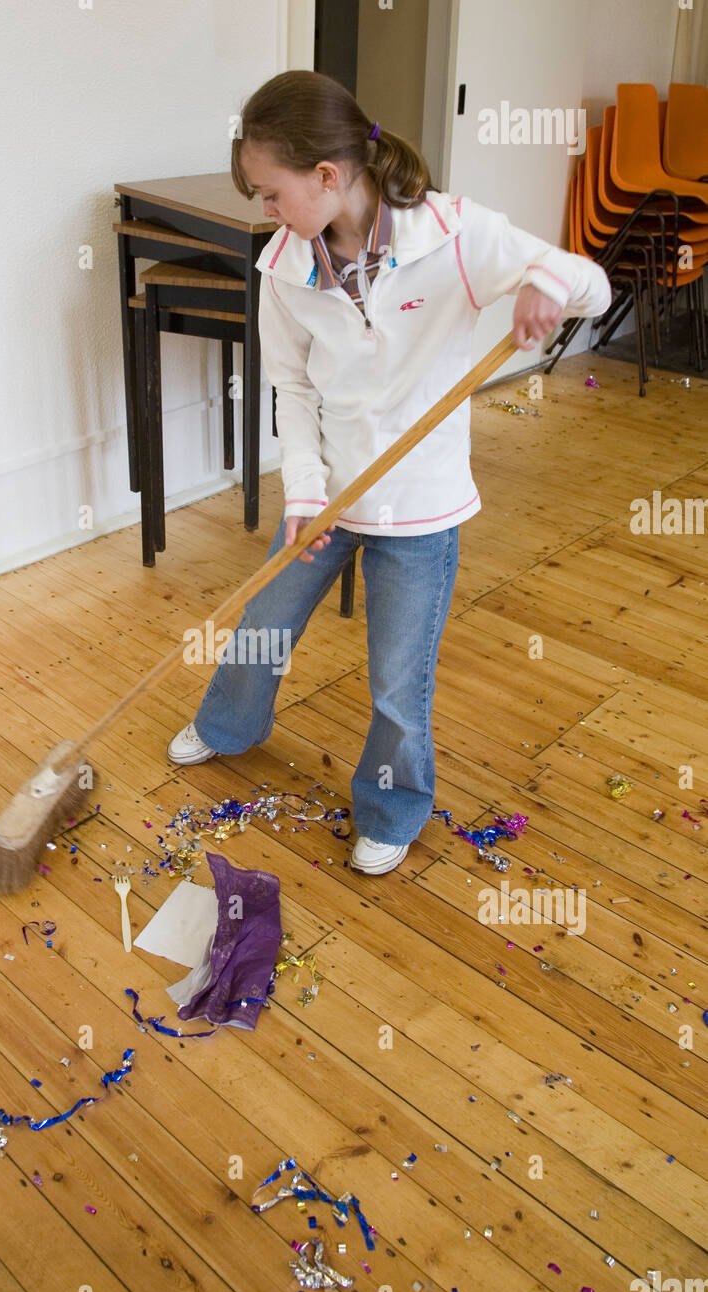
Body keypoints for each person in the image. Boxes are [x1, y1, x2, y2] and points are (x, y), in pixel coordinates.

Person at [167, 70, 610, 875]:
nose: (265, 211)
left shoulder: (455, 234)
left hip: (419, 505)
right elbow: (292, 389)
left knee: (396, 683)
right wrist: (303, 492)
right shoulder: (281, 266)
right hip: (329, 491)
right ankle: (229, 728)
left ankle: (390, 809)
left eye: (271, 193)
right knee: (263, 623)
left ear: (326, 177)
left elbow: (590, 281)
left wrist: (546, 285)